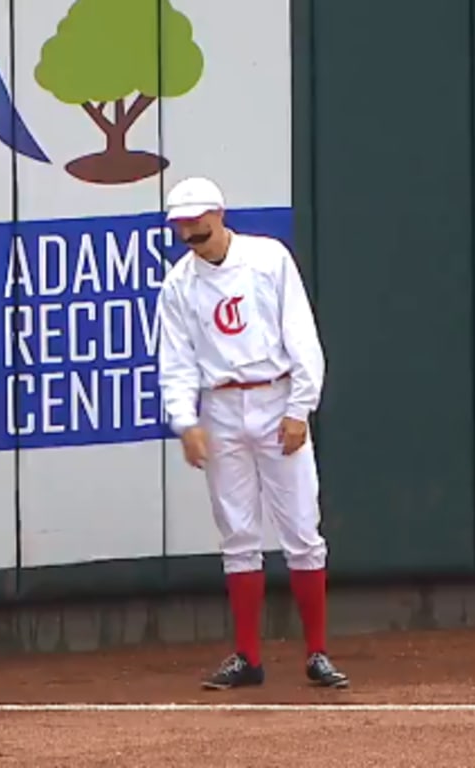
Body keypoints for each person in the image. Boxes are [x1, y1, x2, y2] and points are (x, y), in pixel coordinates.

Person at [156, 176, 348, 690]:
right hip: (220, 404)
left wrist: (300, 407)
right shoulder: (179, 284)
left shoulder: (268, 259)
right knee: (237, 532)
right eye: (181, 222)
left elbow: (302, 337)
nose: (190, 230)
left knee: (303, 528)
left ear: (220, 214)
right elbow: (174, 361)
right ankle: (247, 655)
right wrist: (185, 419)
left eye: (198, 219)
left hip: (274, 394)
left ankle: (317, 653)